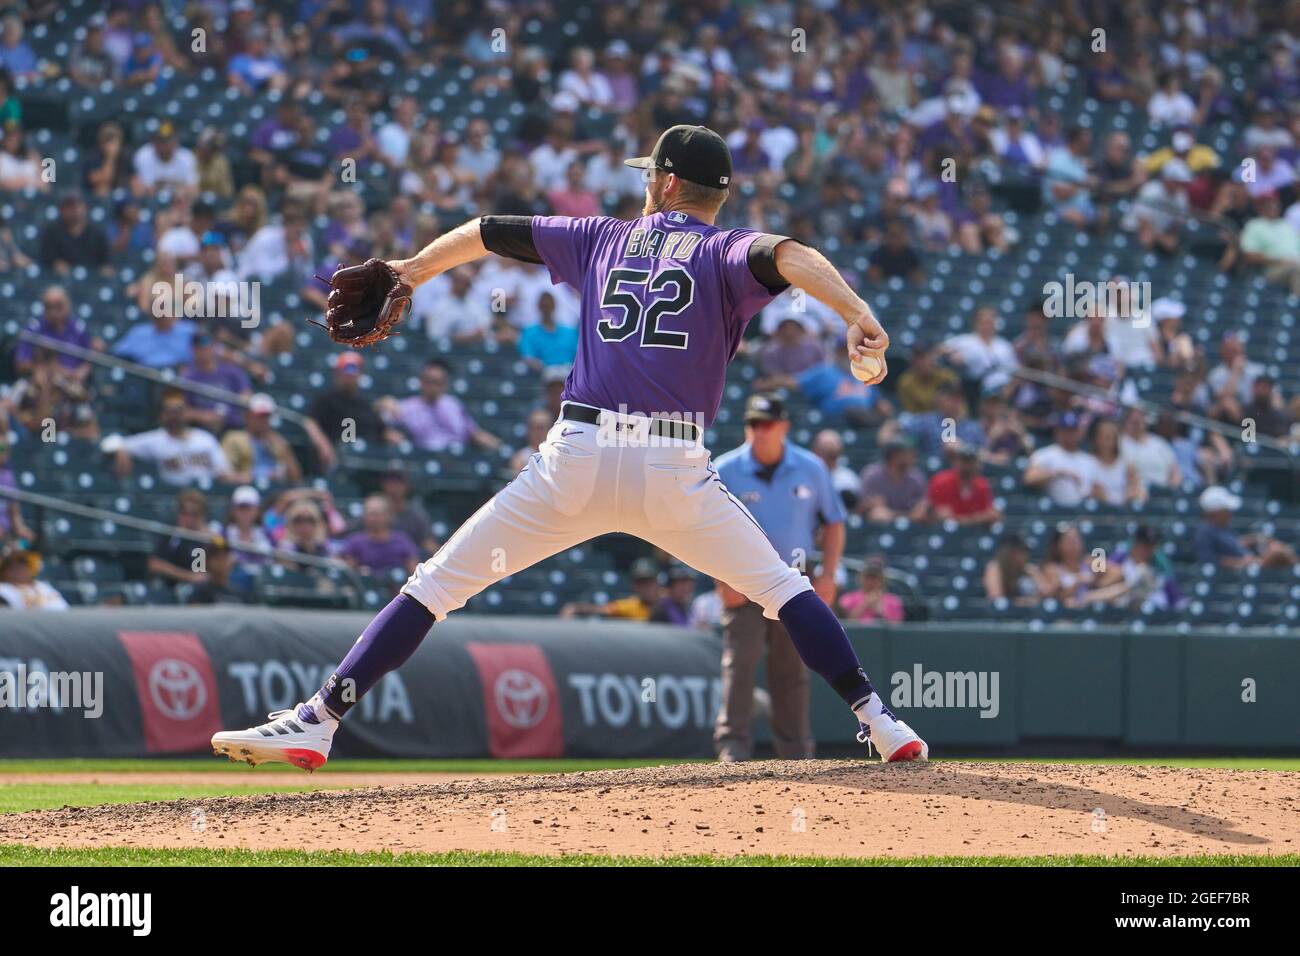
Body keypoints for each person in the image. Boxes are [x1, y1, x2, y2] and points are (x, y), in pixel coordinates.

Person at [213, 124, 927, 770]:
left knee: (436, 584)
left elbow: (489, 231)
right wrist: (858, 314)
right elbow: (791, 254)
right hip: (672, 468)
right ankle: (879, 718)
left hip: (577, 457)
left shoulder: (603, 238)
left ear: (669, 182)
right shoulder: (726, 250)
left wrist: (410, 271)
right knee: (781, 590)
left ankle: (320, 718)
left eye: (651, 172)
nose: (645, 180)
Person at [710, 392, 847, 761]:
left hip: (793, 579)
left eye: (767, 424)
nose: (760, 431)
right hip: (743, 579)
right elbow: (703, 527)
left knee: (792, 669)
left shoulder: (811, 467)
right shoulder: (725, 467)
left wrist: (830, 575)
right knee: (740, 662)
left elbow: (834, 522)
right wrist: (722, 580)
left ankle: (796, 752)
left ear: (784, 426)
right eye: (753, 423)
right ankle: (733, 748)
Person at [110, 392, 236, 486]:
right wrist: (122, 450)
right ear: (162, 416)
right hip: (173, 496)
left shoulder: (205, 438)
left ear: (186, 413)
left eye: (178, 411)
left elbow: (224, 472)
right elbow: (115, 442)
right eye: (170, 412)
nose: (175, 416)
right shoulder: (156, 439)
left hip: (205, 495)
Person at [1194, 486, 1297, 570]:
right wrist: (1243, 562)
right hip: (1241, 570)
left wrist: (1255, 538)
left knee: (1276, 546)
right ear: (1215, 512)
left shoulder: (1222, 527)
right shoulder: (1205, 531)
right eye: (1226, 510)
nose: (1230, 513)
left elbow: (1233, 544)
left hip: (1249, 562)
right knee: (1277, 552)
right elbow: (1210, 561)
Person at [1023, 411, 1101, 507]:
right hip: (1053, 511)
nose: (1069, 435)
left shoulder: (1090, 460)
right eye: (1066, 430)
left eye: (1073, 430)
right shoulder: (1044, 454)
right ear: (1057, 432)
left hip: (1083, 510)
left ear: (1079, 432)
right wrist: (1058, 473)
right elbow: (1029, 478)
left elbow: (1097, 490)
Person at [337, 495, 419, 576]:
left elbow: (414, 572)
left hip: (398, 586)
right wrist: (359, 572)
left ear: (388, 515)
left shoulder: (401, 540)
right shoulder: (355, 541)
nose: (373, 519)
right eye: (370, 514)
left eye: (377, 515)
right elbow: (348, 572)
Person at [560, 557, 662, 621]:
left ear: (657, 583)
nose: (645, 587)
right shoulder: (629, 606)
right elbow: (600, 610)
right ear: (634, 586)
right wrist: (575, 608)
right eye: (640, 582)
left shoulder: (669, 603)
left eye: (649, 582)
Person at [926, 444, 1000, 524]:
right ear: (956, 462)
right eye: (964, 461)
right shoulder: (940, 482)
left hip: (974, 533)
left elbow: (991, 514)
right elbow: (929, 512)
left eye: (970, 461)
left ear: (977, 464)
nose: (967, 466)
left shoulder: (982, 485)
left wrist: (960, 519)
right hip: (945, 532)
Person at [858, 439, 927, 523]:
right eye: (907, 453)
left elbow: (922, 505)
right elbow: (860, 507)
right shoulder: (872, 475)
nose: (913, 456)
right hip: (885, 518)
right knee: (878, 514)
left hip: (910, 518)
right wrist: (870, 504)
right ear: (894, 456)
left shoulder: (916, 476)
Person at [0, 541, 68, 611]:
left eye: (24, 566)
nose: (21, 570)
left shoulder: (43, 586)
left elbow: (63, 607)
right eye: (14, 568)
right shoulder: (3, 589)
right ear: (5, 571)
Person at [982, 531, 1043, 605]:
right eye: (1022, 551)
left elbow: (1045, 594)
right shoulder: (995, 567)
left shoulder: (1028, 569)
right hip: (1000, 614)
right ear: (1011, 553)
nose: (1026, 555)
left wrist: (1036, 575)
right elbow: (997, 598)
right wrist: (1025, 602)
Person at [837, 557, 903, 624]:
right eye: (868, 577)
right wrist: (866, 603)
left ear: (882, 580)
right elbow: (845, 624)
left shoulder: (893, 601)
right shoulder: (847, 599)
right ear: (861, 578)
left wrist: (879, 610)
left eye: (875, 578)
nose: (870, 582)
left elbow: (897, 627)